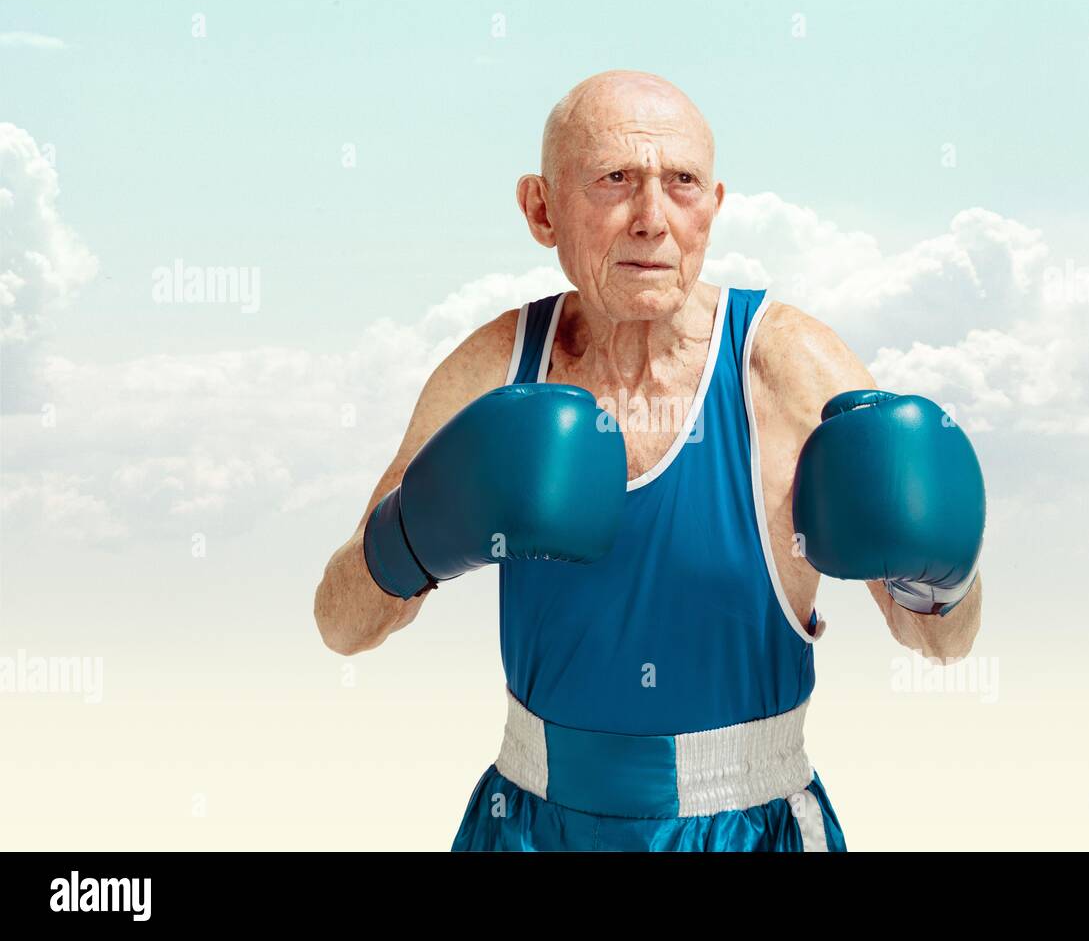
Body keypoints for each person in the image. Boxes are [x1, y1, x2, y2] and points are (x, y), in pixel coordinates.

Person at [313, 70, 985, 851]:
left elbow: (943, 642)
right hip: (530, 825)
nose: (651, 220)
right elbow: (340, 625)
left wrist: (935, 571)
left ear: (715, 206)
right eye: (614, 180)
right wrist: (417, 534)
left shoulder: (788, 367)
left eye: (683, 184)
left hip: (748, 829)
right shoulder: (498, 367)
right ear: (542, 209)